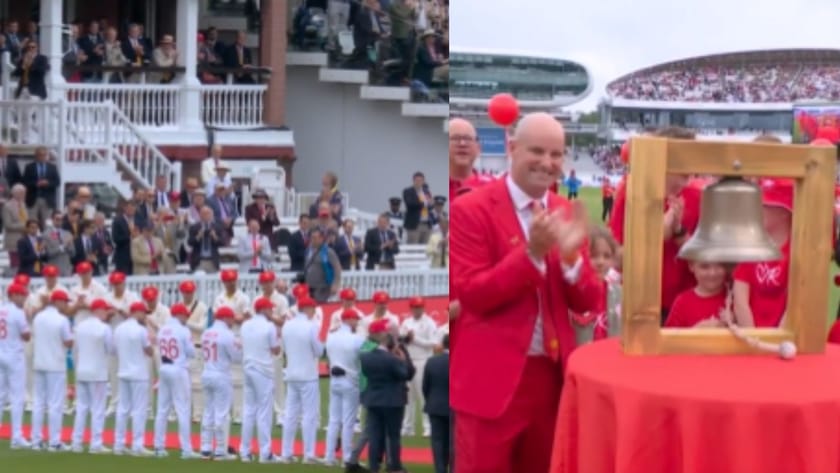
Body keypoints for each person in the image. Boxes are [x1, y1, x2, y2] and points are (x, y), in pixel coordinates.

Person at [450, 112, 603, 473]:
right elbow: (473, 295)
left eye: (556, 154)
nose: (548, 163)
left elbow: (589, 301)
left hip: (550, 382)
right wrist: (532, 253)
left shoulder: (564, 210)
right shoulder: (470, 209)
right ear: (512, 148)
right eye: (537, 151)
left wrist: (570, 260)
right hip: (491, 383)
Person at [733, 178, 793, 327]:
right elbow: (740, 301)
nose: (757, 210)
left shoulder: (796, 251)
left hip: (784, 341)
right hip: (750, 338)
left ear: (785, 213)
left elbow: (796, 306)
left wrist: (776, 341)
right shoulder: (751, 245)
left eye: (765, 206)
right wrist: (753, 340)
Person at [360, 318, 415, 473]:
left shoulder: (366, 357)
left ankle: (373, 466)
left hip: (373, 400)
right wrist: (403, 361)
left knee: (374, 436)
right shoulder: (392, 359)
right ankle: (395, 466)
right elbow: (406, 374)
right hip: (393, 401)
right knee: (393, 436)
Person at [280, 296, 324, 464]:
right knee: (309, 415)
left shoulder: (287, 326)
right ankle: (308, 454)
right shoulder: (311, 326)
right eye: (312, 309)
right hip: (308, 375)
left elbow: (285, 348)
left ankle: (286, 453)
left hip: (291, 374)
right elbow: (319, 351)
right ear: (308, 309)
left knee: (290, 415)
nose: (314, 312)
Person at [239, 297, 282, 463]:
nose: (272, 311)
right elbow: (275, 349)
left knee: (249, 410)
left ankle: (245, 451)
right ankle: (265, 453)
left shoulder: (245, 324)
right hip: (263, 369)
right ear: (263, 309)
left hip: (248, 367)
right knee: (264, 412)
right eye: (270, 309)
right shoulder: (269, 326)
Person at [153, 303, 198, 459]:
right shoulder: (183, 330)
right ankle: (186, 449)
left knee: (162, 410)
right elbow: (191, 352)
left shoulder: (163, 330)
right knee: (183, 409)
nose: (187, 317)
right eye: (185, 314)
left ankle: (159, 447)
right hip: (179, 369)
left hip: (164, 368)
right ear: (179, 314)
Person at [31, 289, 74, 451]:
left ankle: (36, 440)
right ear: (57, 302)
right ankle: (54, 441)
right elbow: (69, 342)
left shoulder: (38, 317)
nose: (66, 305)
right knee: (56, 404)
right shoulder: (62, 320)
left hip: (40, 363)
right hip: (55, 365)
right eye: (64, 302)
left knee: (39, 403)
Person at [70, 298, 114, 454]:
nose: (107, 313)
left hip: (82, 372)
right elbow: (111, 349)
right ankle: (96, 443)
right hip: (97, 373)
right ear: (98, 310)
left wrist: (78, 368)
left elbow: (74, 351)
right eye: (105, 310)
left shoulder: (79, 327)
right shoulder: (104, 328)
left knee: (82, 408)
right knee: (98, 409)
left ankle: (76, 442)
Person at [323, 308, 365, 466]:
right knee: (348, 421)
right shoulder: (356, 339)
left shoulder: (331, 337)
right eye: (355, 320)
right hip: (350, 380)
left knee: (334, 420)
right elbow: (370, 351)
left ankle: (329, 456)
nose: (357, 323)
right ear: (349, 320)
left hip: (335, 380)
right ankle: (347, 457)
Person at [199, 306, 241, 460]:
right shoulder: (227, 334)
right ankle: (220, 450)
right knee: (222, 413)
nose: (232, 321)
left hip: (207, 372)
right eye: (231, 318)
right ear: (225, 318)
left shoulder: (206, 333)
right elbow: (236, 357)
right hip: (221, 374)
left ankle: (205, 447)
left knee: (208, 411)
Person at [113, 301, 154, 456]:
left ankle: (119, 444)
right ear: (138, 312)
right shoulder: (141, 330)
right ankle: (137, 445)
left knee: (123, 409)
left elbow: (115, 349)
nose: (145, 316)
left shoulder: (119, 329)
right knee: (139, 410)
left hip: (123, 371)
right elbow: (149, 351)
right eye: (144, 313)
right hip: (139, 373)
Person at [399, 296, 437, 437]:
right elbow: (401, 340)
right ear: (411, 308)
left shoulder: (429, 323)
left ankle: (428, 426)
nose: (417, 310)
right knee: (408, 396)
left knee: (423, 394)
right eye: (415, 307)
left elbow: (433, 343)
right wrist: (407, 338)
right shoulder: (406, 322)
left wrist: (416, 339)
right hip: (409, 361)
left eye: (419, 307)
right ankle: (408, 426)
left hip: (423, 360)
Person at [0, 283, 32, 449]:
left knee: (1, 394)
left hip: (1, 353)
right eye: (20, 295)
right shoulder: (18, 313)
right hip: (14, 356)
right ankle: (16, 436)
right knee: (17, 397)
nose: (23, 297)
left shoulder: (1, 309)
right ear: (12, 295)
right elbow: (26, 336)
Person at [665, 261, 728, 328]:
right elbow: (668, 337)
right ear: (691, 266)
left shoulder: (735, 297)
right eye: (705, 266)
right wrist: (696, 331)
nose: (712, 273)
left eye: (720, 265)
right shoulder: (683, 302)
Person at [423, 334, 451, 473]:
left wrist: (431, 399)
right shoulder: (461, 360)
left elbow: (425, 386)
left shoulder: (432, 361)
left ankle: (440, 469)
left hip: (435, 406)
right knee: (452, 441)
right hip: (454, 407)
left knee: (438, 441)